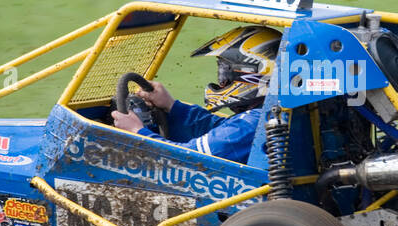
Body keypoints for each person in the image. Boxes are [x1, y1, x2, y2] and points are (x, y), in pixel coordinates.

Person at [110, 25, 280, 164]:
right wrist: (172, 106)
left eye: (224, 73)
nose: (221, 82)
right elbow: (221, 129)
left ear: (253, 73)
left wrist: (137, 132)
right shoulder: (271, 116)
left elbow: (188, 158)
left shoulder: (250, 126)